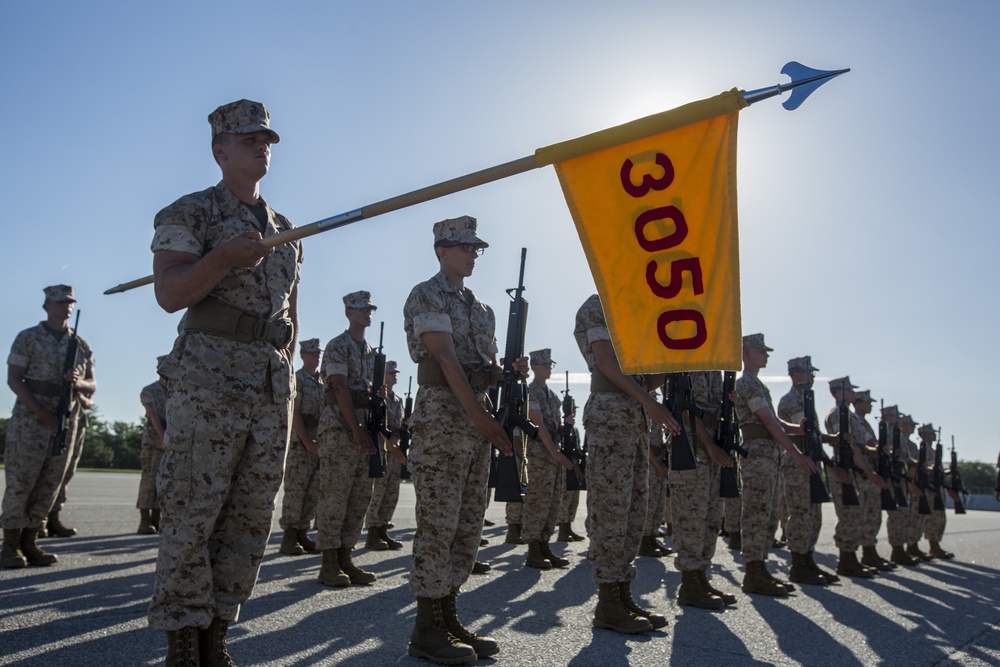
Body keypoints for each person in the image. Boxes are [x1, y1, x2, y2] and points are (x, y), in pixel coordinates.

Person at [147, 99, 302, 666]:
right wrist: (222, 258)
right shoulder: (191, 212)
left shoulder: (287, 229)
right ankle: (184, 640)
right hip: (209, 381)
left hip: (268, 384)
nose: (262, 146)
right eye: (248, 139)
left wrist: (290, 383)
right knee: (193, 508)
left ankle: (217, 633)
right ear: (219, 150)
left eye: (266, 138)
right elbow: (170, 293)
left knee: (249, 514)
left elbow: (290, 314)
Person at [403, 215, 525, 663]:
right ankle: (425, 628)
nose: (474, 254)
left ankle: (448, 615)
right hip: (442, 421)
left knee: (467, 524)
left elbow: (478, 368)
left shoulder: (483, 308)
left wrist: (504, 374)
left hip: (475, 424)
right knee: (437, 524)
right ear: (442, 250)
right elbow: (444, 356)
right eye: (465, 247)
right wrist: (480, 417)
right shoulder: (427, 294)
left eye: (477, 249)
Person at [574, 293, 680, 633]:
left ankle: (621, 594)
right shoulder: (598, 305)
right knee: (610, 512)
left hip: (634, 422)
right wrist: (652, 404)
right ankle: (608, 602)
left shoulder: (638, 312)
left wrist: (677, 363)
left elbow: (646, 379)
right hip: (609, 418)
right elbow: (607, 363)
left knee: (634, 512)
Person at [2, 285, 95, 570]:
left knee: (51, 482)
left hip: (67, 416)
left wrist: (77, 382)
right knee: (22, 480)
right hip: (32, 418)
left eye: (69, 302)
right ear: (46, 305)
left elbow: (93, 385)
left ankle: (31, 540)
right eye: (59, 301)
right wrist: (41, 413)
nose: (66, 306)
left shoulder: (80, 345)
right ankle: (10, 544)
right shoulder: (28, 338)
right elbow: (15, 379)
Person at [733, 334, 817, 596]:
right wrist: (796, 452)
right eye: (761, 351)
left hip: (768, 455)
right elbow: (768, 422)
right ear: (746, 352)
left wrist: (798, 430)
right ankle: (753, 572)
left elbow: (776, 424)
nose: (766, 355)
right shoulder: (747, 383)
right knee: (757, 512)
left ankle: (761, 569)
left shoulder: (757, 383)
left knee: (769, 514)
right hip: (758, 455)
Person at [315, 291, 380, 587]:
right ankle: (328, 563)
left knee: (359, 496)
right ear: (348, 312)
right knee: (335, 494)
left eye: (370, 309)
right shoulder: (337, 346)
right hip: (341, 429)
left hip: (363, 427)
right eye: (362, 309)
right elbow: (339, 388)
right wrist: (355, 428)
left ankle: (345, 557)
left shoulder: (370, 352)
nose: (368, 313)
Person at [670, 370, 739, 607]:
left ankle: (700, 578)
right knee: (692, 515)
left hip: (711, 442)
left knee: (711, 515)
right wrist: (709, 445)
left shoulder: (714, 367)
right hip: (693, 444)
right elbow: (688, 407)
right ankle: (689, 583)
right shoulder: (692, 361)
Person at [775, 357, 841, 586]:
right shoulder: (790, 401)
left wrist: (830, 440)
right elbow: (793, 432)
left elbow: (812, 434)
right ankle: (798, 564)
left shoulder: (806, 400)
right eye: (807, 372)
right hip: (797, 464)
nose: (812, 377)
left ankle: (808, 559)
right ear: (794, 374)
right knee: (801, 513)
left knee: (814, 515)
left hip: (811, 461)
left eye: (813, 373)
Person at [519, 348, 574, 570]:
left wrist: (565, 426)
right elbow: (538, 424)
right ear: (534, 366)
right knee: (538, 502)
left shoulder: (552, 396)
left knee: (553, 503)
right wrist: (555, 453)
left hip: (553, 455)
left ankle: (544, 545)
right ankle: (533, 549)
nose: (549, 368)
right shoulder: (532, 391)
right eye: (545, 364)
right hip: (540, 455)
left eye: (551, 364)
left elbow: (554, 426)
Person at [279, 338, 323, 556]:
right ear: (304, 355)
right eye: (312, 353)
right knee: (296, 489)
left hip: (319, 440)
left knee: (313, 490)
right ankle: (289, 535)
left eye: (318, 353)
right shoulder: (298, 379)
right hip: (300, 441)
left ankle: (303, 531)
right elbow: (294, 413)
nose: (316, 356)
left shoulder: (322, 381)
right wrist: (307, 441)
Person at [364, 360, 407, 551]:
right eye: (390, 373)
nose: (394, 375)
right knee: (378, 493)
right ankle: (372, 532)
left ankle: (382, 528)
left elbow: (397, 427)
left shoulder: (397, 400)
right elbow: (378, 423)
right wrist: (392, 447)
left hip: (394, 451)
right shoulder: (377, 396)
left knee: (391, 493)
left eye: (395, 372)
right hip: (382, 450)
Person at [852, 389, 895, 571]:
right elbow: (866, 447)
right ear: (858, 402)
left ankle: (870, 551)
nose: (870, 405)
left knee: (873, 515)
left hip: (870, 472)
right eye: (867, 402)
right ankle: (865, 552)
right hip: (865, 472)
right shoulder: (857, 421)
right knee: (866, 514)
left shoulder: (865, 422)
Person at [136, 357, 168, 535]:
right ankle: (144, 520)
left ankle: (157, 518)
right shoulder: (149, 390)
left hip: (169, 442)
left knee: (163, 482)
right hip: (153, 442)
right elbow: (153, 415)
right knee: (149, 481)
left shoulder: (174, 391)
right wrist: (163, 436)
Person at [919, 422, 955, 559]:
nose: (934, 435)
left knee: (939, 518)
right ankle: (933, 546)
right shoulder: (923, 449)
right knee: (933, 518)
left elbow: (937, 472)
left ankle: (936, 545)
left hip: (937, 487)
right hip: (930, 488)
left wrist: (948, 472)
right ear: (924, 434)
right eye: (931, 433)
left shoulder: (932, 451)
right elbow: (925, 469)